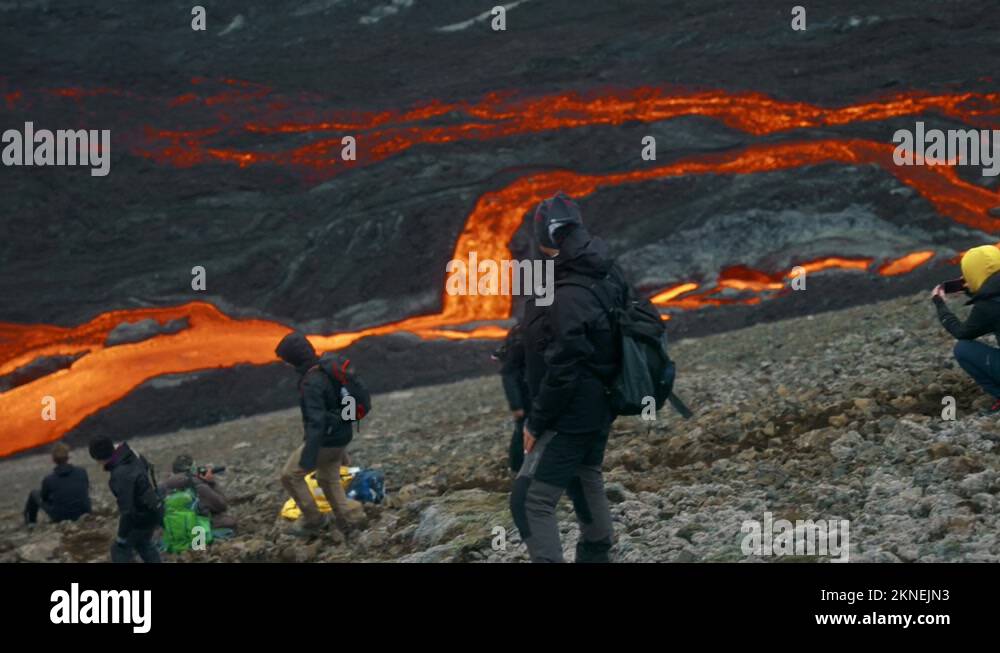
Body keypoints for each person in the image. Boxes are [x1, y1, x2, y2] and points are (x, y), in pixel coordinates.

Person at [510, 191, 622, 563]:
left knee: (529, 500)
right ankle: (597, 553)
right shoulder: (604, 271)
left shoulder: (565, 291)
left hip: (571, 412)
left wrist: (536, 420)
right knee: (584, 475)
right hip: (602, 404)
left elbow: (564, 364)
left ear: (544, 236)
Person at [275, 331, 358, 535]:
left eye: (287, 360)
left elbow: (316, 420)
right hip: (340, 436)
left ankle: (314, 520)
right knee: (328, 479)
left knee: (290, 475)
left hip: (324, 440)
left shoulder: (311, 381)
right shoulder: (328, 370)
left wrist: (309, 455)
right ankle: (349, 523)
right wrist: (342, 448)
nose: (286, 364)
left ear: (293, 358)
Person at [933, 244, 1000, 414]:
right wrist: (975, 291)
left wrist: (940, 304)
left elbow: (962, 333)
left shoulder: (988, 306)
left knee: (963, 349)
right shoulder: (989, 302)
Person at [88, 436, 162, 563]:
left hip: (141, 516)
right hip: (153, 507)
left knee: (119, 550)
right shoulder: (131, 455)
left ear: (97, 458)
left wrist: (121, 536)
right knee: (143, 543)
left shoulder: (119, 475)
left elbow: (127, 511)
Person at [162, 454, 237, 530]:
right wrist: (211, 483)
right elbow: (222, 505)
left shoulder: (164, 487)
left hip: (174, 529)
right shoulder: (197, 486)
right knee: (229, 521)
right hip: (196, 527)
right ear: (192, 468)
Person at [23, 443, 91, 526]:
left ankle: (31, 522)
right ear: (68, 456)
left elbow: (44, 498)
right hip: (85, 511)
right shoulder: (82, 471)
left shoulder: (49, 479)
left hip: (60, 516)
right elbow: (86, 488)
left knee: (34, 493)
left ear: (53, 460)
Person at [493, 323, 531, 473]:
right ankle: (517, 468)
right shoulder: (522, 338)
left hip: (534, 393)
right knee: (522, 431)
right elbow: (508, 374)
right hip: (526, 396)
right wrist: (516, 405)